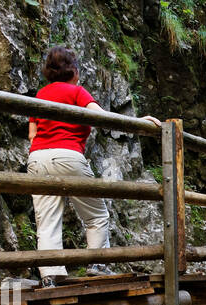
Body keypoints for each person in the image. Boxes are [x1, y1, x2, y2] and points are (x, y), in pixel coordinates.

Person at [27, 47, 161, 286]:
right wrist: (139, 122)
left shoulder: (40, 95)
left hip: (37, 158)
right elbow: (103, 118)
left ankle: (51, 276)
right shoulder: (76, 92)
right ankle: (97, 265)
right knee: (97, 215)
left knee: (47, 220)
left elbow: (32, 134)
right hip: (68, 155)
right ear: (74, 71)